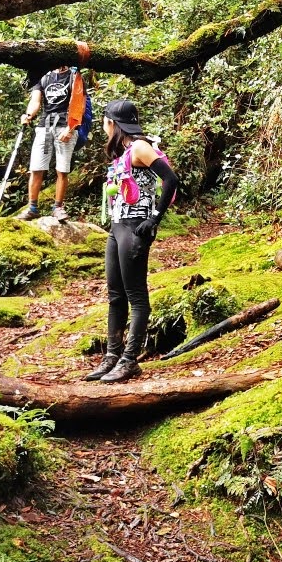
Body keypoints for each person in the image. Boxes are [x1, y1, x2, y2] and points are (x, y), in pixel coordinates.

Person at [85, 99, 180, 384]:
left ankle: (129, 361)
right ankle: (112, 357)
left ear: (112, 123)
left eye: (105, 121)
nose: (104, 126)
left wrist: (153, 219)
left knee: (136, 296)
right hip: (117, 227)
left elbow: (171, 179)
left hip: (135, 227)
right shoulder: (124, 152)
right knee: (116, 295)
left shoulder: (140, 147)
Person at [16, 65, 82, 222]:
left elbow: (79, 103)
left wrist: (71, 128)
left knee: (62, 169)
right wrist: (28, 115)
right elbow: (35, 100)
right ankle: (32, 208)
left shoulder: (74, 75)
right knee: (37, 167)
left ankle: (58, 208)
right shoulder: (44, 75)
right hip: (45, 126)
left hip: (65, 126)